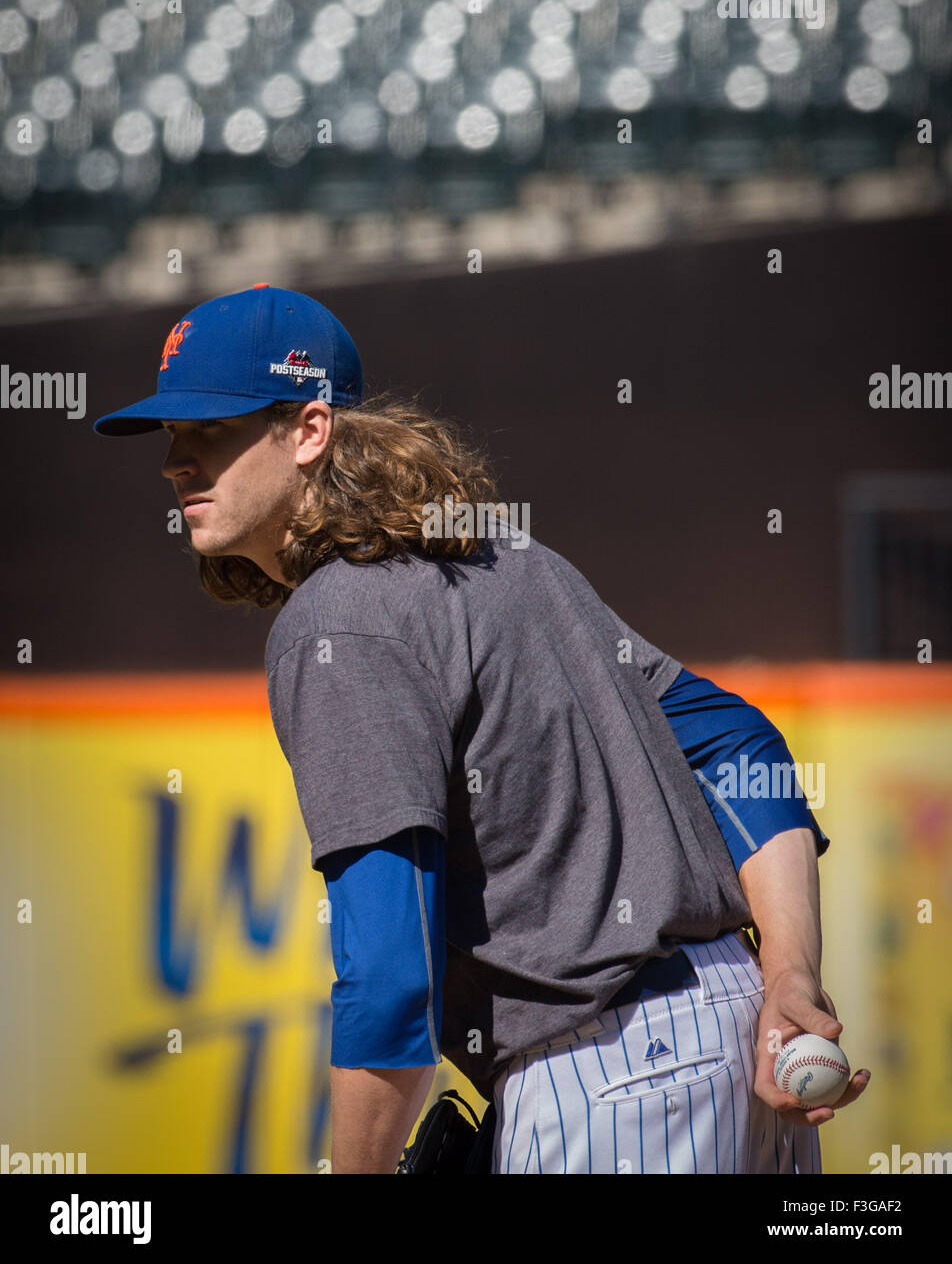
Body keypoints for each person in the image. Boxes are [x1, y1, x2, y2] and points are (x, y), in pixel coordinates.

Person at [95, 284, 870, 1175]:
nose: (176, 463)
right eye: (171, 439)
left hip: (610, 1091)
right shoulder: (511, 560)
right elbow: (740, 744)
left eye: (210, 432)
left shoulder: (336, 622)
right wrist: (789, 978)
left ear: (309, 432)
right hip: (743, 1056)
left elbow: (388, 975)